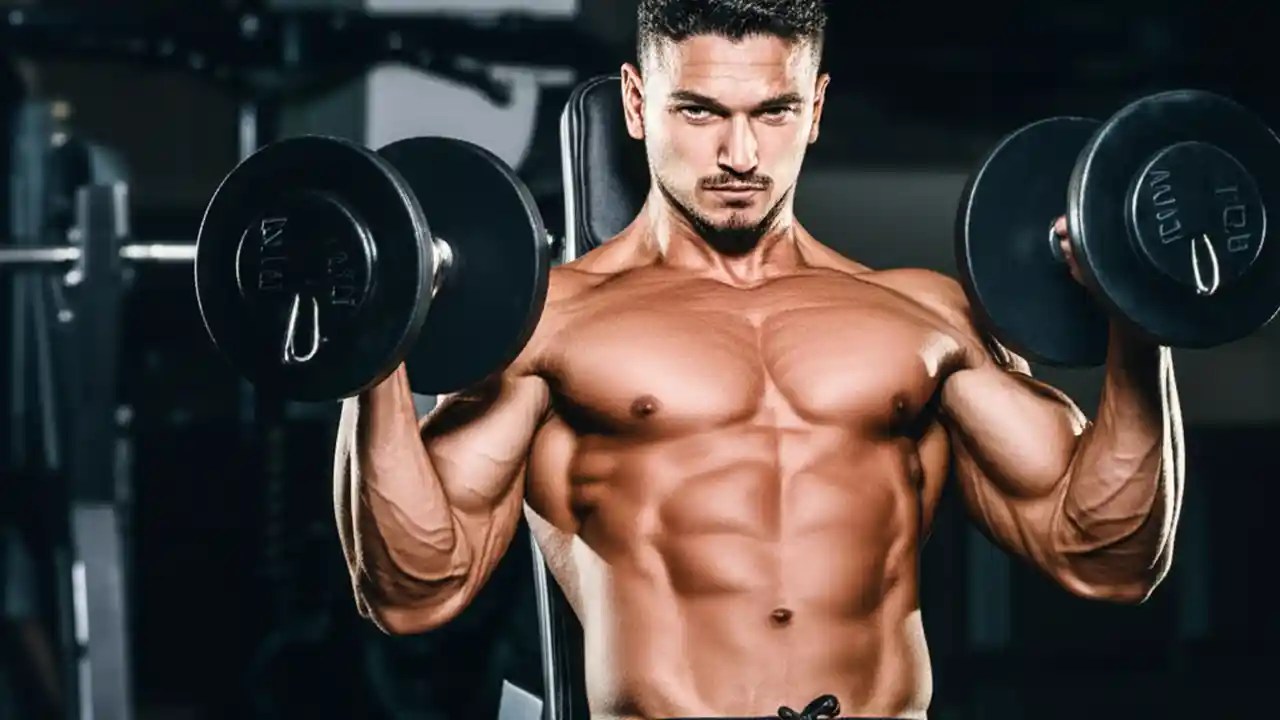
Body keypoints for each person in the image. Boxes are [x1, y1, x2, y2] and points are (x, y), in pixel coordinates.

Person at [333, 1, 1184, 718]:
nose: (739, 157)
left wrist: (1142, 311)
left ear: (815, 109)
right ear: (637, 104)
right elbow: (414, 590)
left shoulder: (929, 320)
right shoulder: (549, 324)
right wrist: (377, 338)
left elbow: (1104, 555)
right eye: (699, 110)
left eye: (771, 113)